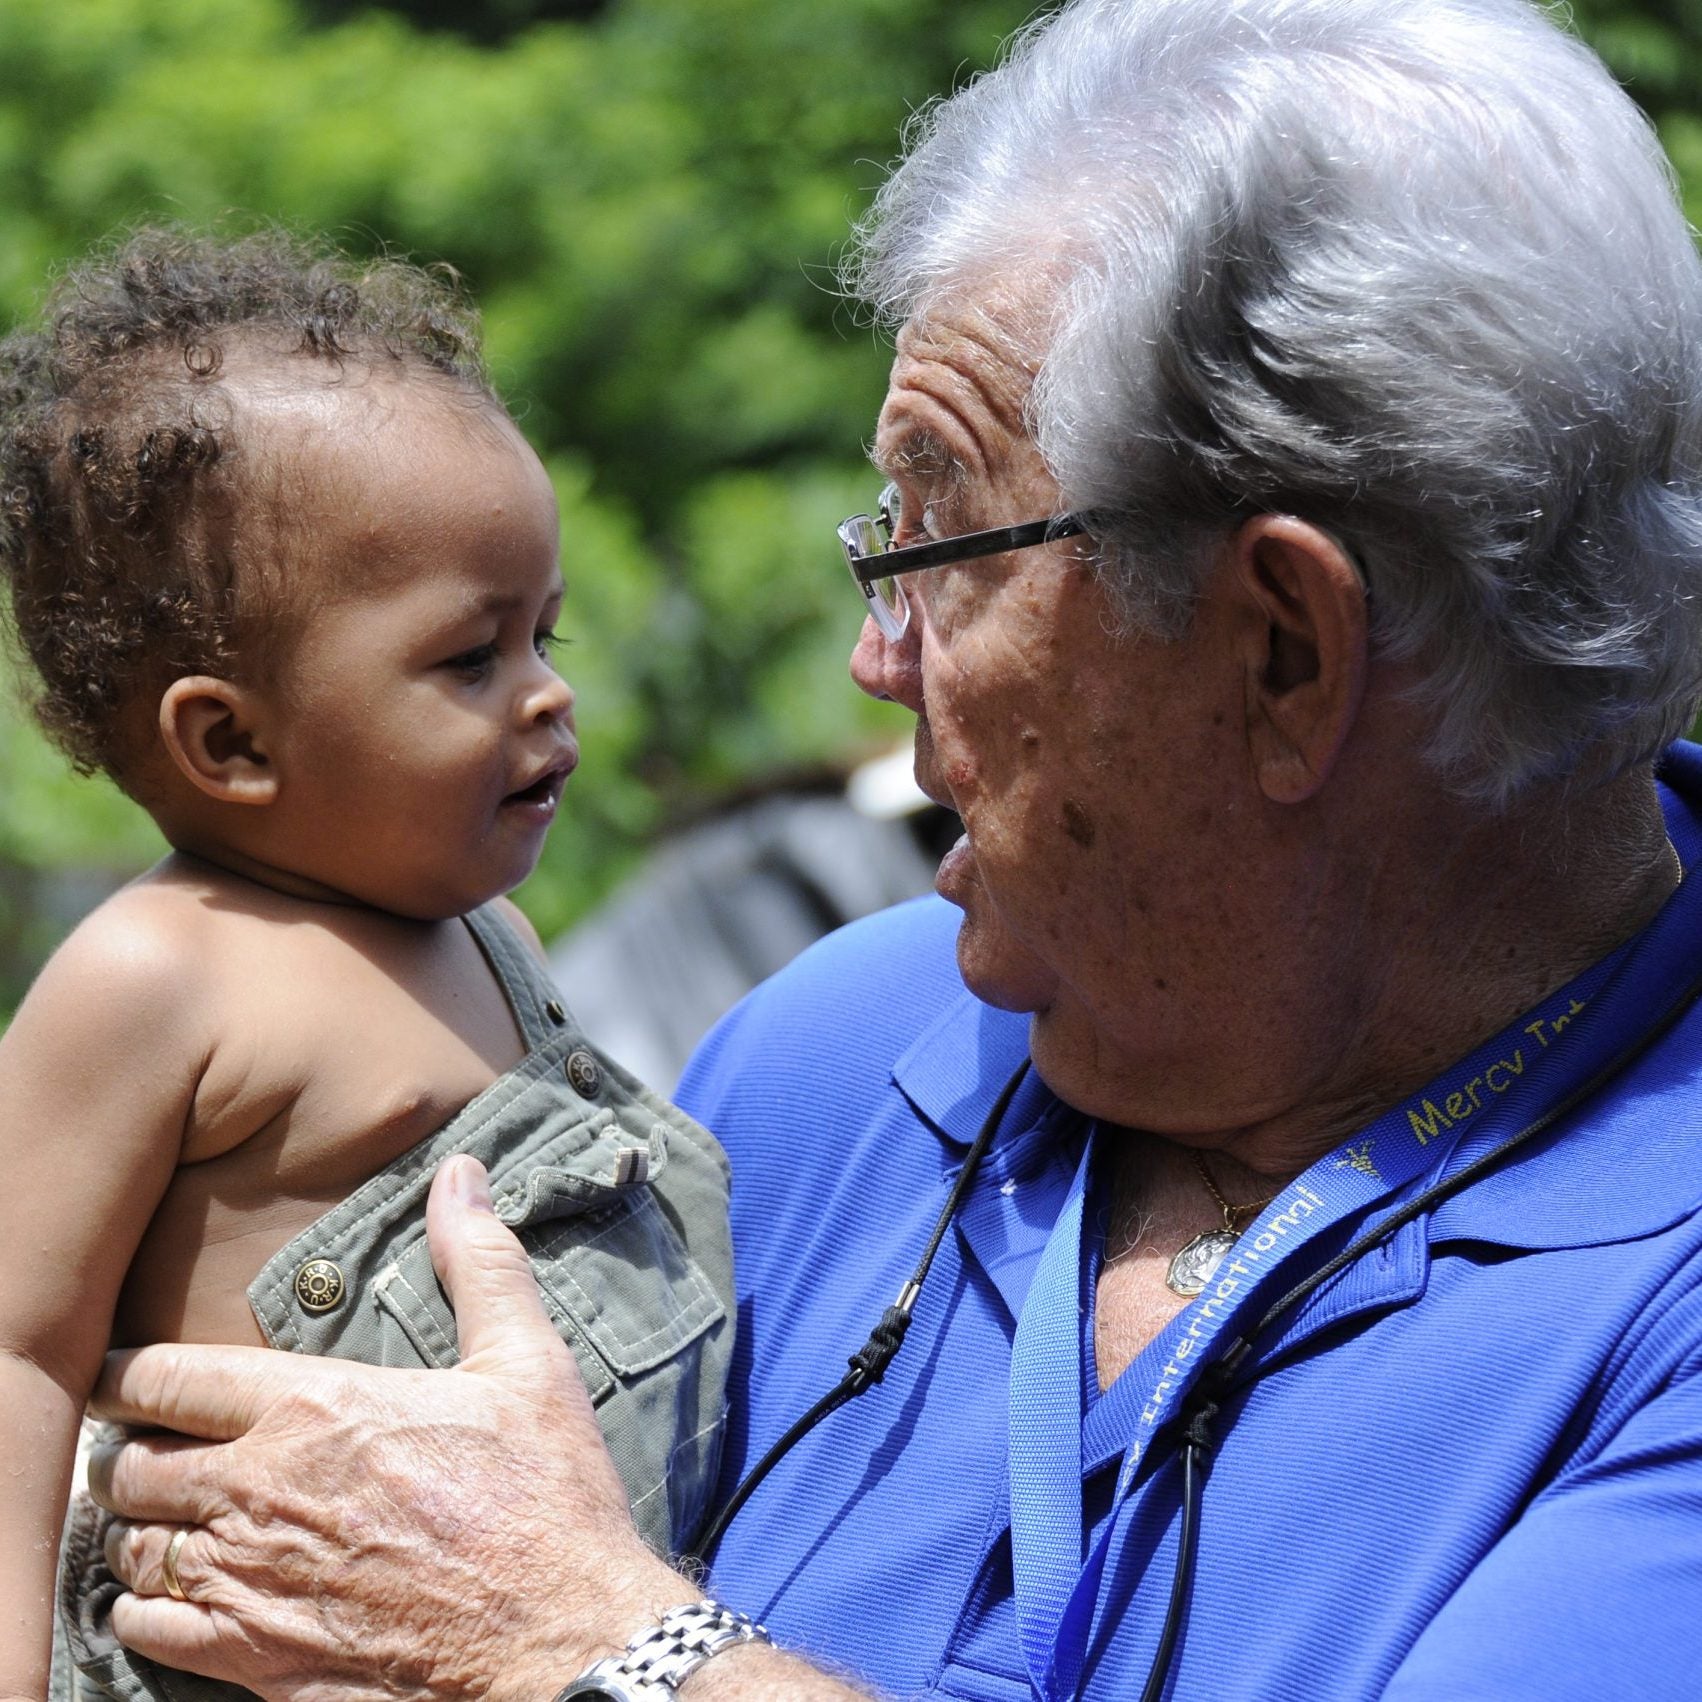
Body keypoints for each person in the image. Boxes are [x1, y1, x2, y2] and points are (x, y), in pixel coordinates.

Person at [72, 0, 1702, 1696]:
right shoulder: (837, 1049)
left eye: (942, 540)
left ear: (1281, 648)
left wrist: (589, 1641)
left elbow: (527, 1595)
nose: (875, 655)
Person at [0, 230, 735, 1702]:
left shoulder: (501, 946)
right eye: (472, 658)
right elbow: (16, 1358)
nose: (550, 692)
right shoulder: (155, 975)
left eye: (546, 633)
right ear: (231, 740)